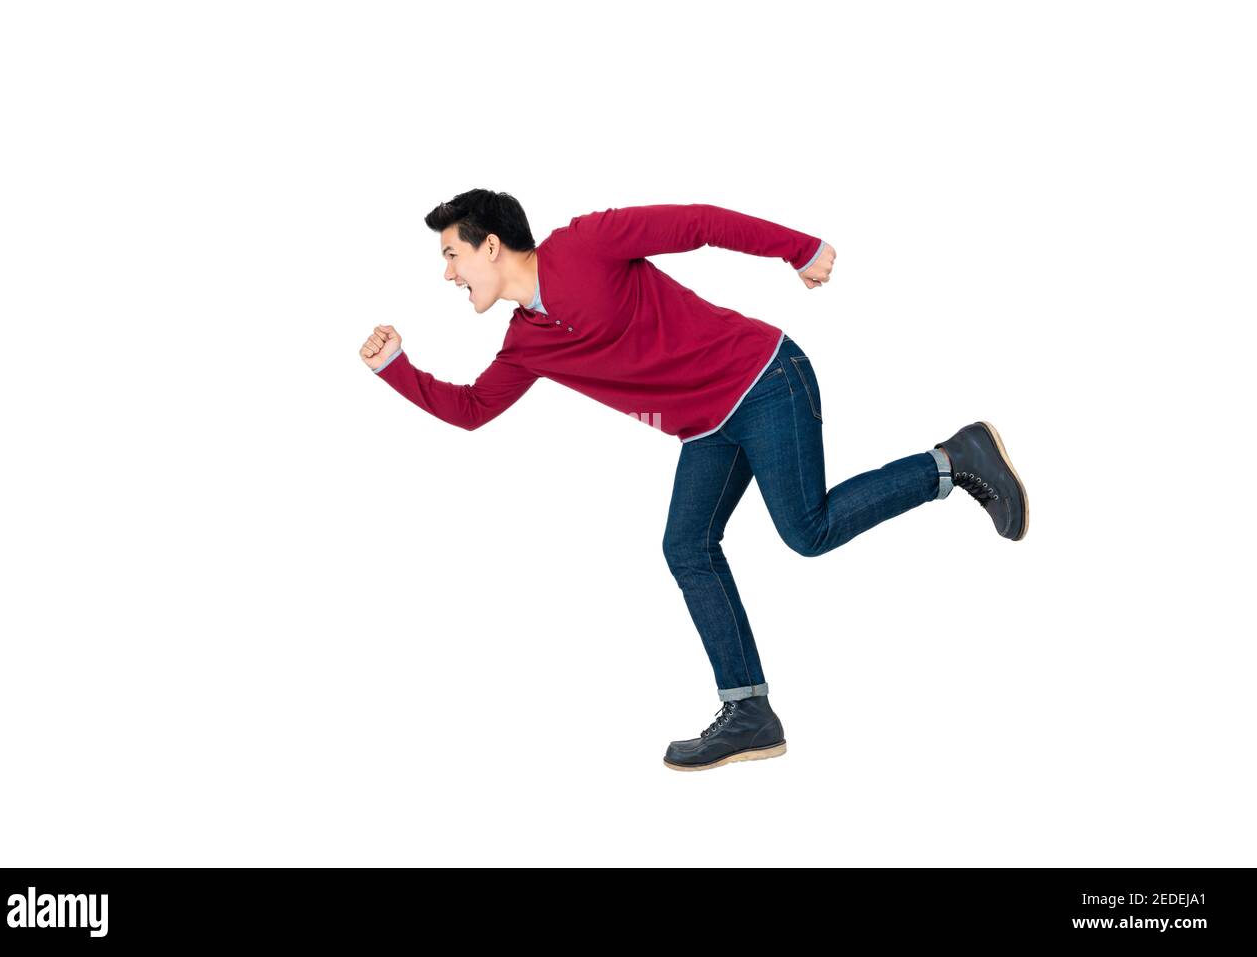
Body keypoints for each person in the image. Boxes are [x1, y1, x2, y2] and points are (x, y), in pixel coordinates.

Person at [359, 188, 1029, 772]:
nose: (447, 273)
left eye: (451, 254)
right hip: (709, 424)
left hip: (763, 378)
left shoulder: (585, 243)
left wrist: (799, 248)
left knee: (808, 529)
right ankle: (750, 713)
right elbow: (474, 409)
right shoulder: (527, 342)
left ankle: (955, 459)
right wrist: (397, 368)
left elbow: (699, 222)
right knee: (687, 545)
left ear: (493, 245)